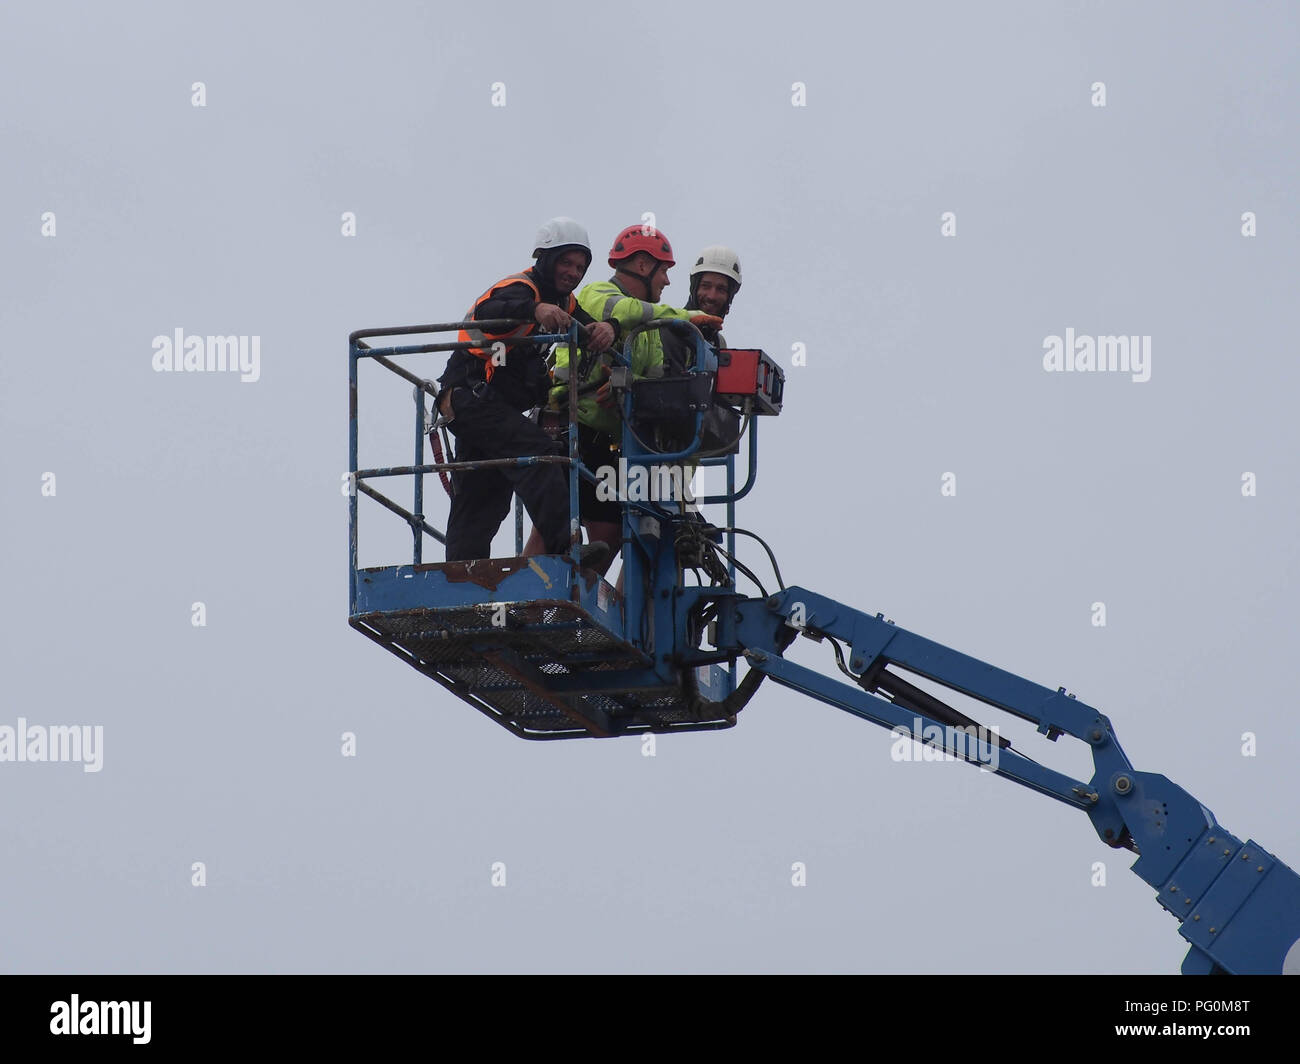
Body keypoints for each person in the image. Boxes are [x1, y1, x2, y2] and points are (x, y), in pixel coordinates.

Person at [531, 225, 723, 572]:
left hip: (609, 444)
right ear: (641, 265)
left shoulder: (648, 337)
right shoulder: (594, 294)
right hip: (568, 430)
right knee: (552, 531)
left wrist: (628, 384)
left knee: (610, 536)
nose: (666, 282)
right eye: (663, 271)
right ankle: (521, 603)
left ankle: (570, 615)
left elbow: (650, 381)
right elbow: (620, 311)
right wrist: (687, 317)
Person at [436, 217, 615, 563]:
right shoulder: (522, 289)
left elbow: (589, 327)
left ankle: (462, 575)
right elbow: (492, 310)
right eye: (566, 262)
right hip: (469, 397)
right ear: (545, 260)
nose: (573, 273)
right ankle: (568, 545)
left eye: (580, 266)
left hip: (488, 410)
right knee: (539, 454)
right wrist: (535, 309)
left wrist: (609, 326)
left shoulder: (564, 302)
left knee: (483, 494)